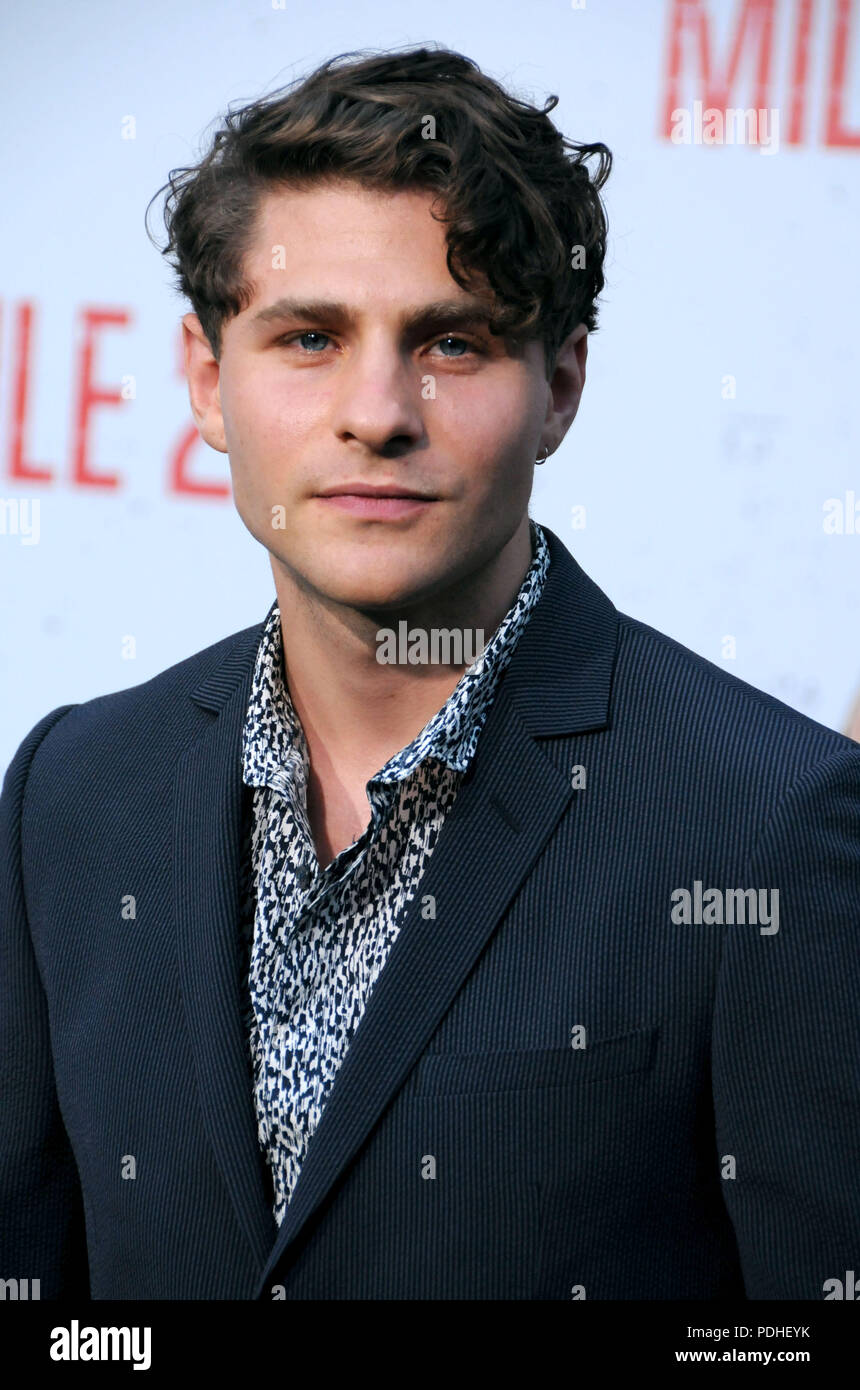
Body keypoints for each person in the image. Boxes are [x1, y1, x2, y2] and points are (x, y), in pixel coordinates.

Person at [1, 44, 857, 1302]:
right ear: (204, 382)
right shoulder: (72, 794)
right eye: (306, 337)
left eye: (450, 342)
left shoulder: (766, 826)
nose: (375, 411)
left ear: (558, 385)